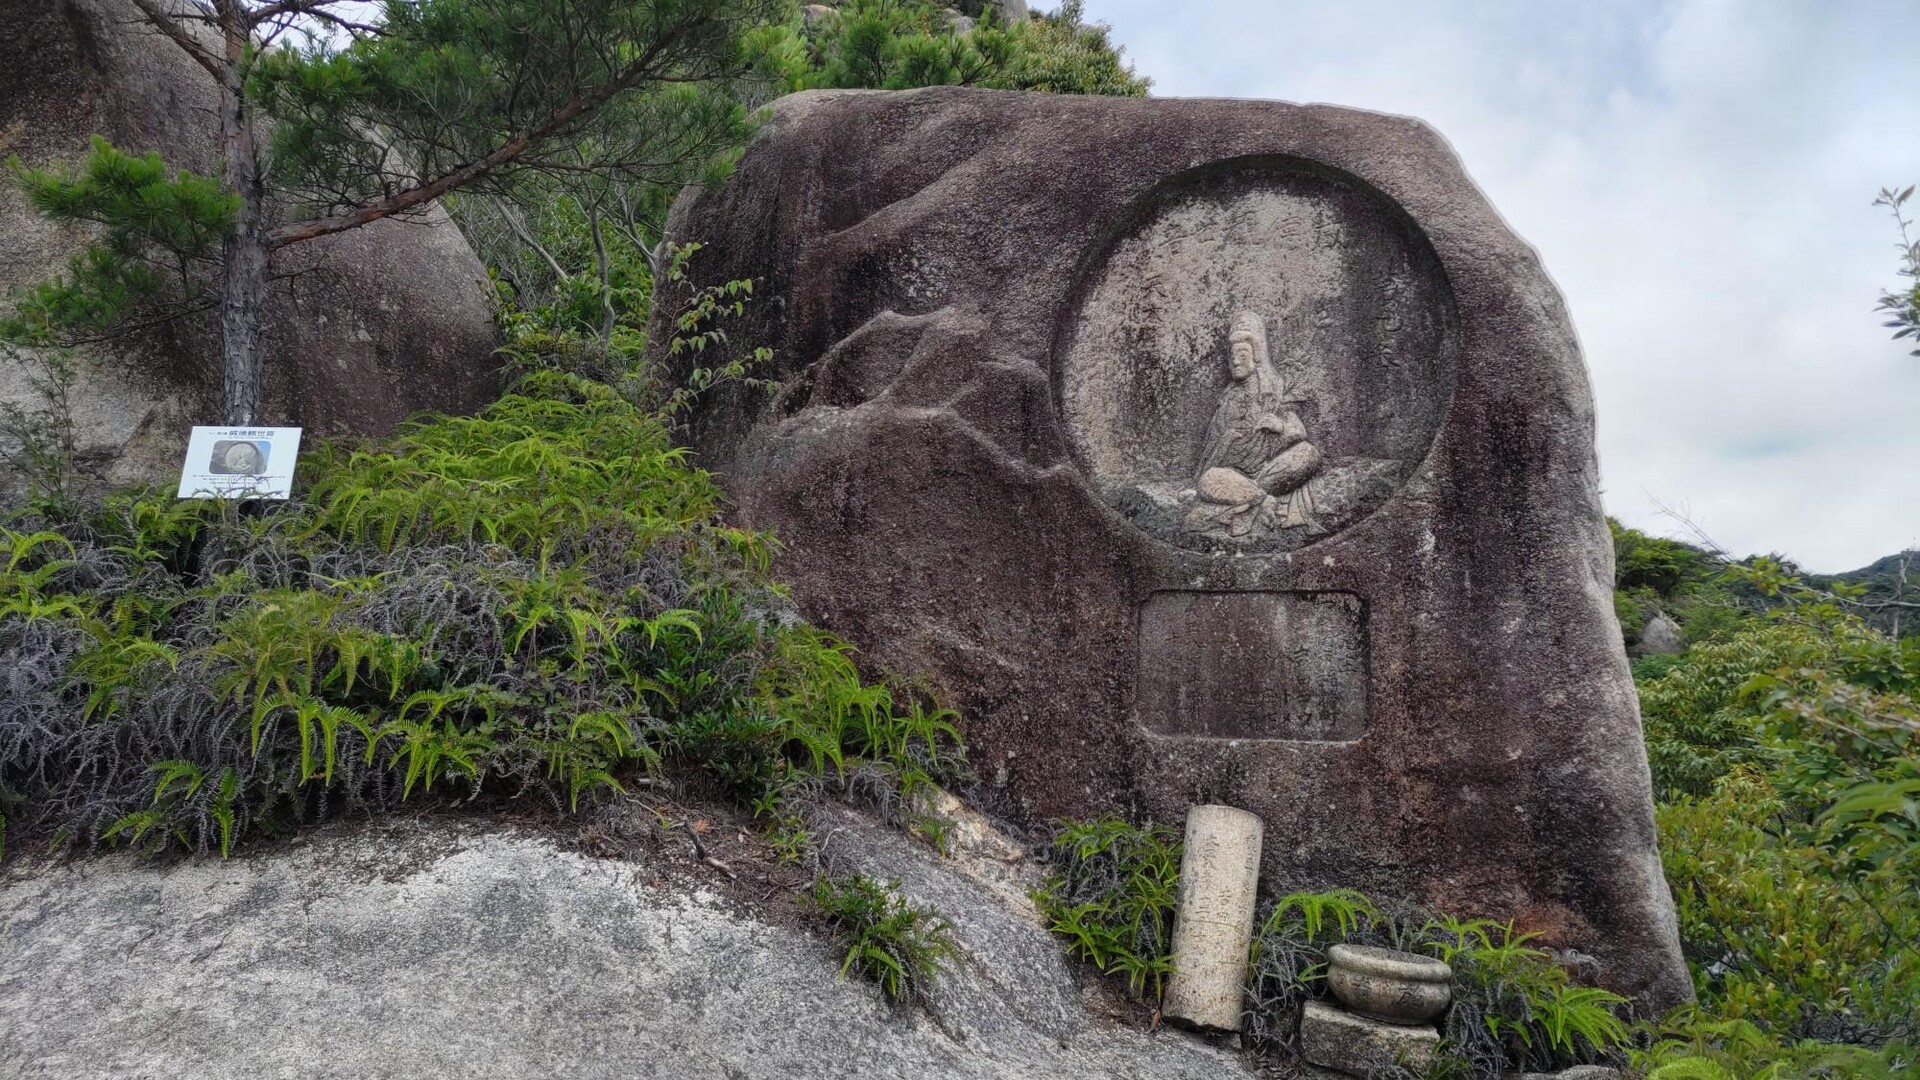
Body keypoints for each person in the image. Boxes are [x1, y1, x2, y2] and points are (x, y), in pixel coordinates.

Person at [1186, 311, 1322, 537]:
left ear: (1256, 355)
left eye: (1242, 353)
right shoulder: (1227, 399)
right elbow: (1211, 452)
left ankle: (1248, 499)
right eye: (1231, 355)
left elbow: (1299, 431)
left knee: (1308, 454)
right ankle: (1258, 499)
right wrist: (1229, 438)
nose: (1236, 360)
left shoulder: (1275, 390)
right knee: (1209, 479)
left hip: (1268, 469)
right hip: (1229, 472)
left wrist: (1280, 427)